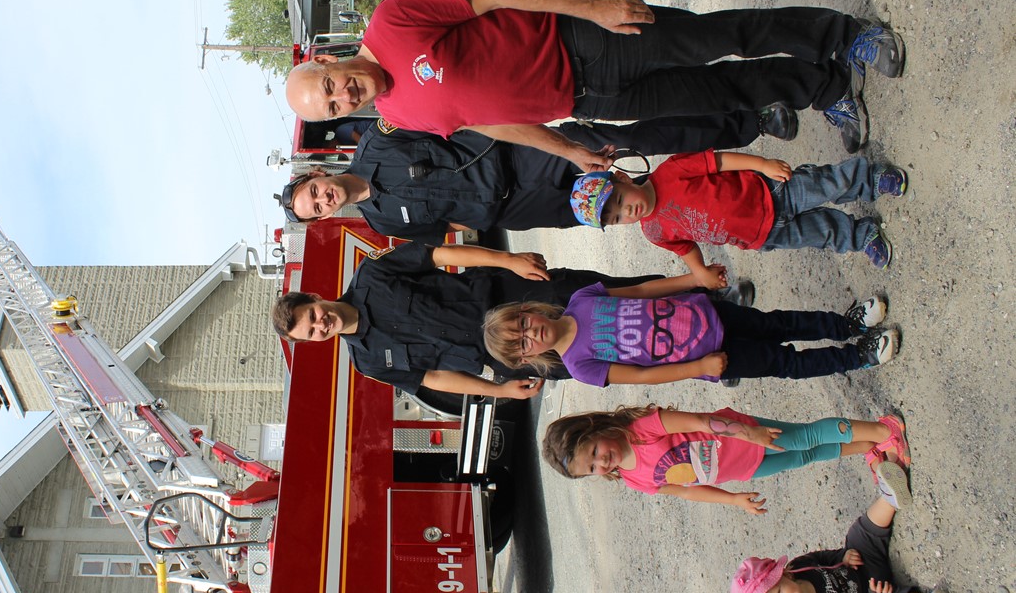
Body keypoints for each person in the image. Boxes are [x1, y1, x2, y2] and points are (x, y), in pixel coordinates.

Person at [285, 0, 903, 157]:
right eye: (334, 107)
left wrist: (591, 7)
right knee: (721, 92)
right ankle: (823, 88)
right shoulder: (396, 115)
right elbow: (487, 122)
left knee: (720, 36)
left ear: (326, 60)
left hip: (585, 41)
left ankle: (846, 36)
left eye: (330, 85)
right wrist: (567, 150)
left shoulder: (391, 20)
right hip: (591, 101)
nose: (344, 96)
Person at [278, 112, 795, 242]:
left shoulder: (378, 138)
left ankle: (749, 123)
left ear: (319, 172)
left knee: (630, 141)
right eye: (317, 209)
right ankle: (726, 207)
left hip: (524, 155)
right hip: (520, 209)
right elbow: (450, 230)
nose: (324, 200)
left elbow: (453, 117)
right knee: (628, 206)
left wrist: (541, 137)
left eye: (315, 192)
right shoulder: (383, 222)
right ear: (325, 217)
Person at [270, 240, 671, 398]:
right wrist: (499, 390)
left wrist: (508, 260)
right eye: (313, 332)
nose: (322, 324)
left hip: (515, 297)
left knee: (615, 294)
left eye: (313, 315)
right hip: (510, 353)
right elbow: (434, 378)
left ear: (316, 297)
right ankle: (680, 357)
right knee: (603, 362)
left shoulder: (371, 273)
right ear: (315, 342)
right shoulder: (368, 362)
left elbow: (440, 256)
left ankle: (693, 292)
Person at [481, 283, 897, 387]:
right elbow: (643, 376)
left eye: (522, 324)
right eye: (523, 343)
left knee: (778, 322)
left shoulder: (581, 298)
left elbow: (642, 291)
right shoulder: (579, 366)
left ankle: (848, 325)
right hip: (706, 356)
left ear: (527, 311)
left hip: (705, 311)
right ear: (526, 359)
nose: (530, 333)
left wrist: (693, 279)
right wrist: (700, 367)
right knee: (784, 362)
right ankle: (856, 356)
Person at [540, 403, 911, 515]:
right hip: (744, 467)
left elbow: (701, 422)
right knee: (805, 457)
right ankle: (866, 446)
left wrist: (750, 433)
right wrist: (732, 500)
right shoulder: (634, 479)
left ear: (595, 429)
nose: (601, 463)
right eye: (592, 469)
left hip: (744, 436)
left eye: (593, 452)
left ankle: (884, 430)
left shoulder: (640, 429)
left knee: (805, 436)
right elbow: (687, 491)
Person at [568, 152, 909, 271]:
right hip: (761, 236)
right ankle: (861, 235)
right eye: (617, 218)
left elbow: (717, 161)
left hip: (770, 191)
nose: (627, 211)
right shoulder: (653, 232)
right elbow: (685, 247)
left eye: (619, 200)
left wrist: (762, 164)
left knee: (826, 184)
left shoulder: (670, 171)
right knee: (821, 233)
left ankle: (870, 178)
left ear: (623, 179)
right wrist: (701, 273)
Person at [732, 469, 954, 593]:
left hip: (862, 565)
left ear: (786, 574)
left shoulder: (799, 565)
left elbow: (823, 558)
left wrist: (843, 557)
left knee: (859, 533)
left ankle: (890, 498)